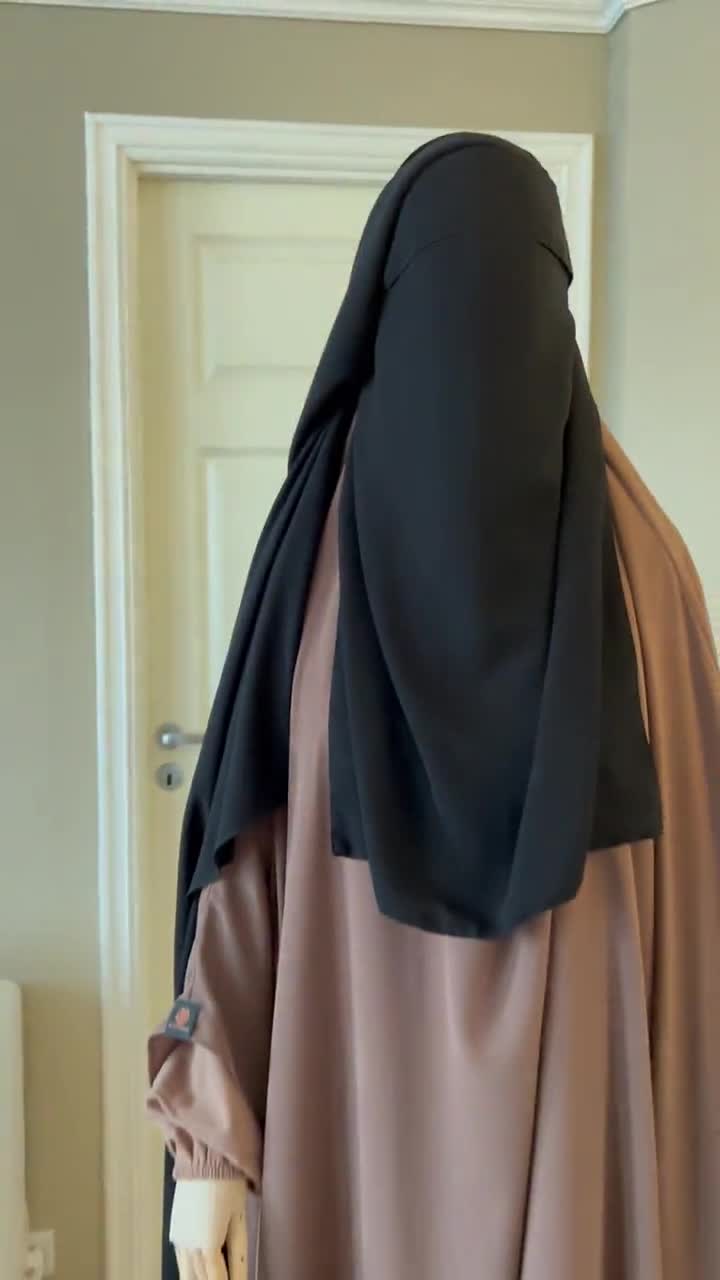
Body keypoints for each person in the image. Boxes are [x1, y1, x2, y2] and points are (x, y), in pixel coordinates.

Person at [147, 133, 720, 1280]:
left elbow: (696, 914)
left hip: (575, 1124)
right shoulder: (319, 553)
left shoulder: (645, 573)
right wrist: (208, 1146)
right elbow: (249, 852)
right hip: (350, 1112)